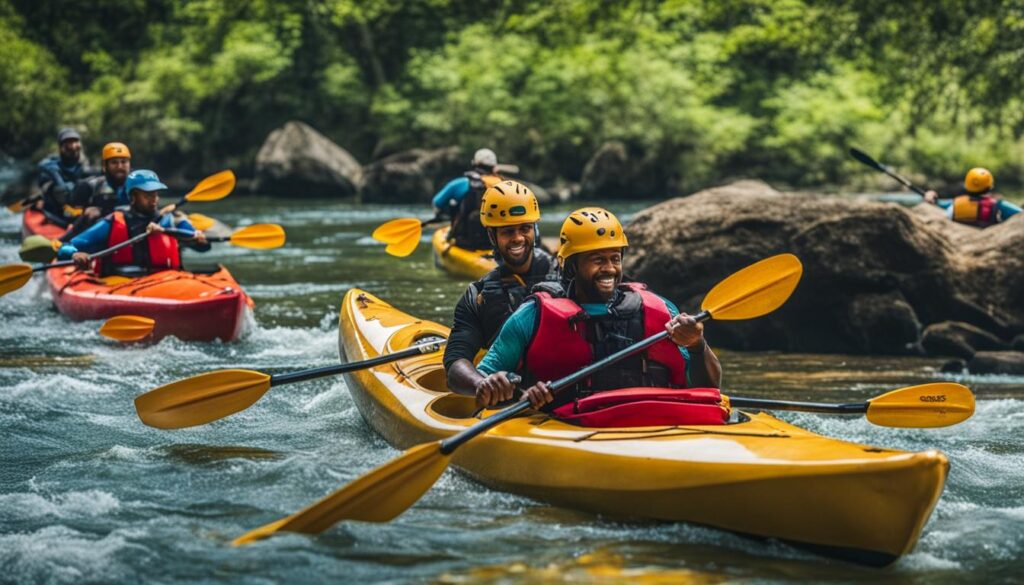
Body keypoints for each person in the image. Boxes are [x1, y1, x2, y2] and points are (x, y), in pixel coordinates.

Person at [471, 207, 722, 410]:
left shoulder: (663, 310)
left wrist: (697, 346)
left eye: (615, 258)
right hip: (570, 430)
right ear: (571, 267)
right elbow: (483, 381)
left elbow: (710, 389)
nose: (610, 269)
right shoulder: (532, 316)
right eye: (598, 259)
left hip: (656, 422)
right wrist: (508, 389)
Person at [445, 180, 555, 396]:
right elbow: (455, 363)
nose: (518, 238)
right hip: (514, 399)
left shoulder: (568, 278)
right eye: (507, 231)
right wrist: (481, 384)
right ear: (491, 236)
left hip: (561, 392)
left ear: (535, 230)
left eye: (525, 228)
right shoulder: (477, 296)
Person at [57, 170, 209, 276]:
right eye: (148, 194)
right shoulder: (113, 222)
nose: (154, 199)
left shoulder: (171, 220)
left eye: (156, 193)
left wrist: (199, 240)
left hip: (168, 279)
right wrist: (75, 254)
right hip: (122, 281)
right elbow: (65, 249)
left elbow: (204, 248)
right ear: (133, 196)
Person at [431, 148, 504, 250]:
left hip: (467, 242)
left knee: (453, 204)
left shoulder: (461, 183)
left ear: (474, 164)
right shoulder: (503, 185)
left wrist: (443, 215)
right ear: (494, 167)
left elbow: (437, 203)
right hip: (498, 243)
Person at [61, 142, 133, 242]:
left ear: (129, 164)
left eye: (124, 162)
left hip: (129, 235)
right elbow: (68, 214)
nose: (120, 166)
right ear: (104, 166)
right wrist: (83, 213)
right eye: (114, 162)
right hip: (96, 238)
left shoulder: (138, 187)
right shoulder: (89, 186)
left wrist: (103, 211)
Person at [35, 128, 96, 223]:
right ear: (61, 147)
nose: (72, 146)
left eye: (75, 142)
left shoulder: (85, 165)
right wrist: (56, 177)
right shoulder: (50, 165)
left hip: (77, 207)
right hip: (56, 208)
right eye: (68, 143)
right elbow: (43, 179)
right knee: (59, 189)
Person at [924, 168, 1021, 227]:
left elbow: (937, 203)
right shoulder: (999, 205)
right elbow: (1021, 215)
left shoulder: (955, 203)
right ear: (990, 186)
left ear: (967, 185)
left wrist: (931, 195)